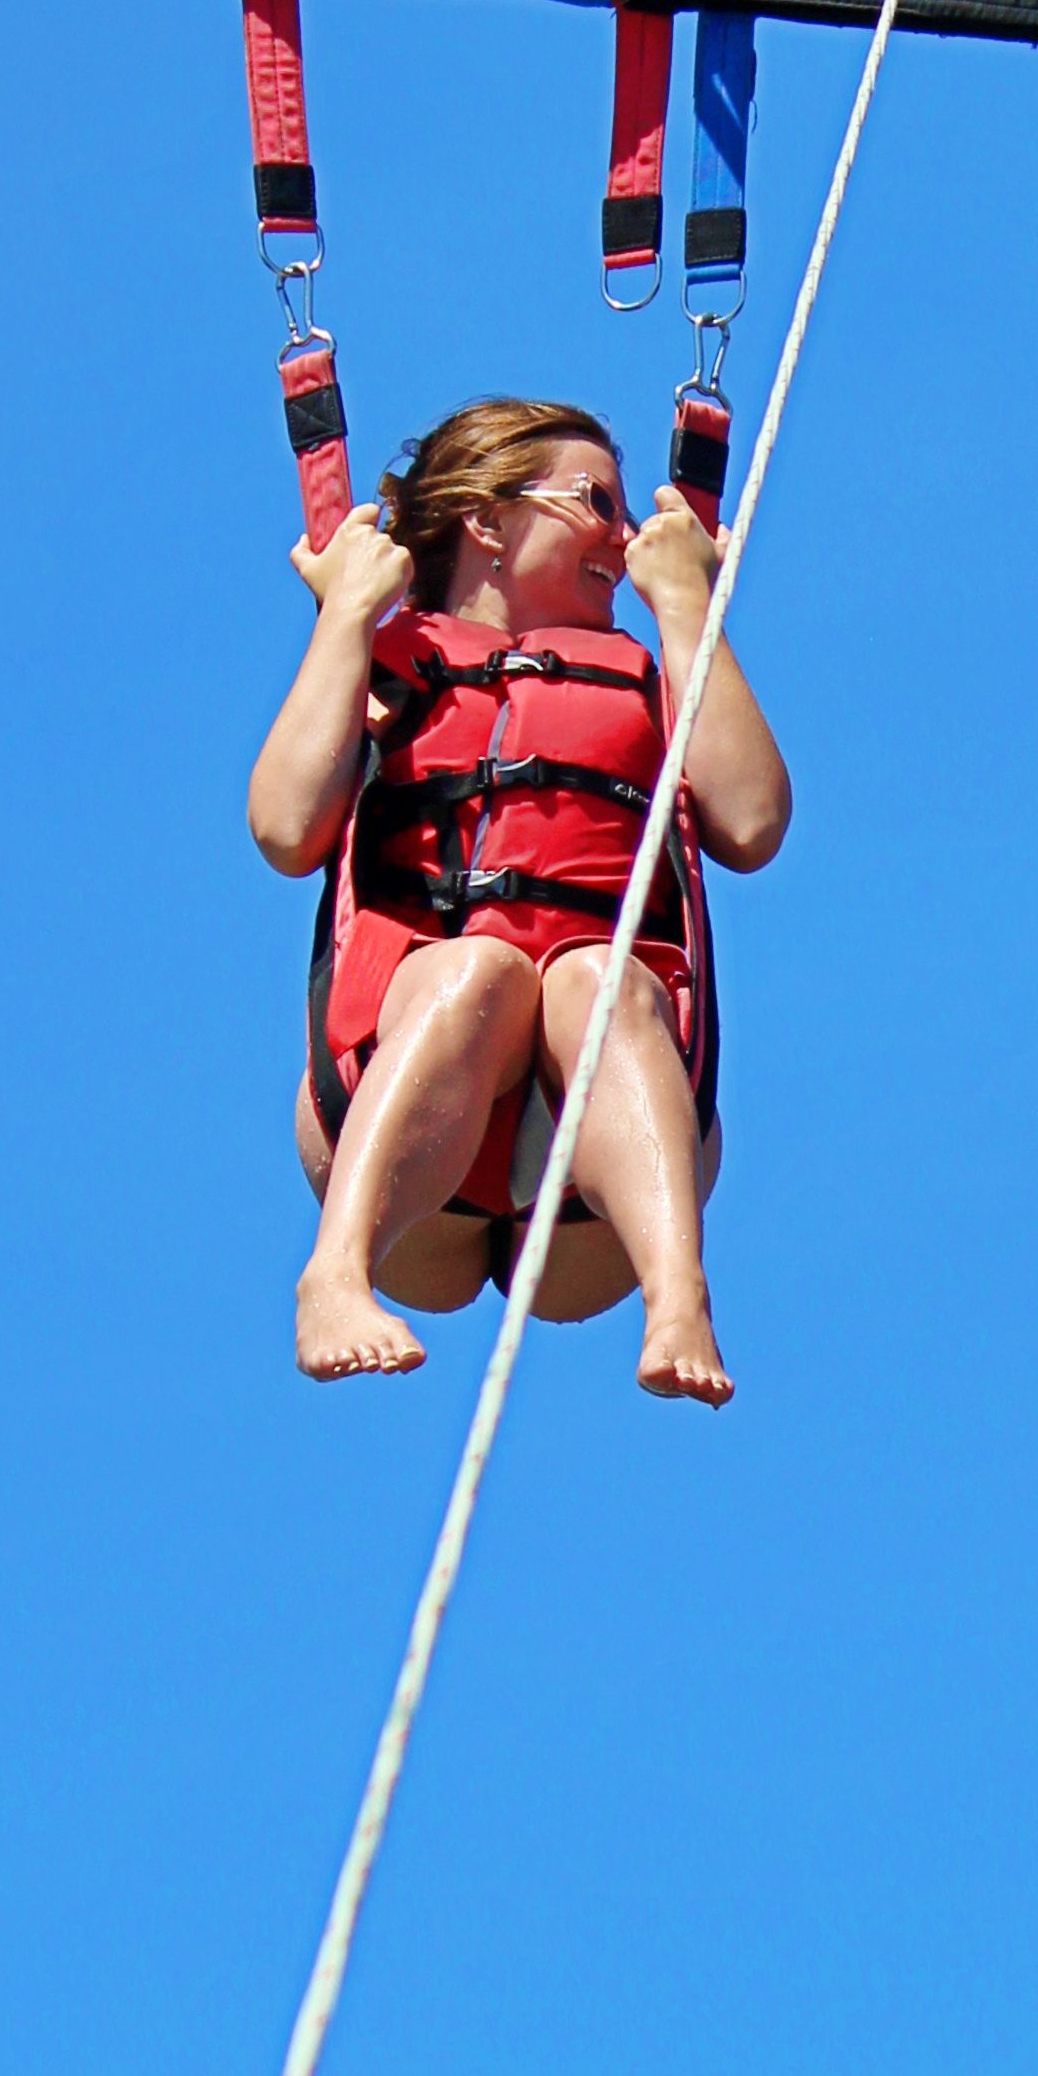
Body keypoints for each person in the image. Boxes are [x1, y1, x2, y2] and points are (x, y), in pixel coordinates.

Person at [250, 398, 791, 1403]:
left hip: (590, 1186)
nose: (624, 537)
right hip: (406, 1120)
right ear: (486, 520)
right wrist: (344, 619)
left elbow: (752, 822)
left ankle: (678, 1291)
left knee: (598, 978)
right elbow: (287, 826)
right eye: (595, 502)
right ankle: (336, 1270)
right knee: (478, 968)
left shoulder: (654, 672)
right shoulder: (394, 659)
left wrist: (686, 612)